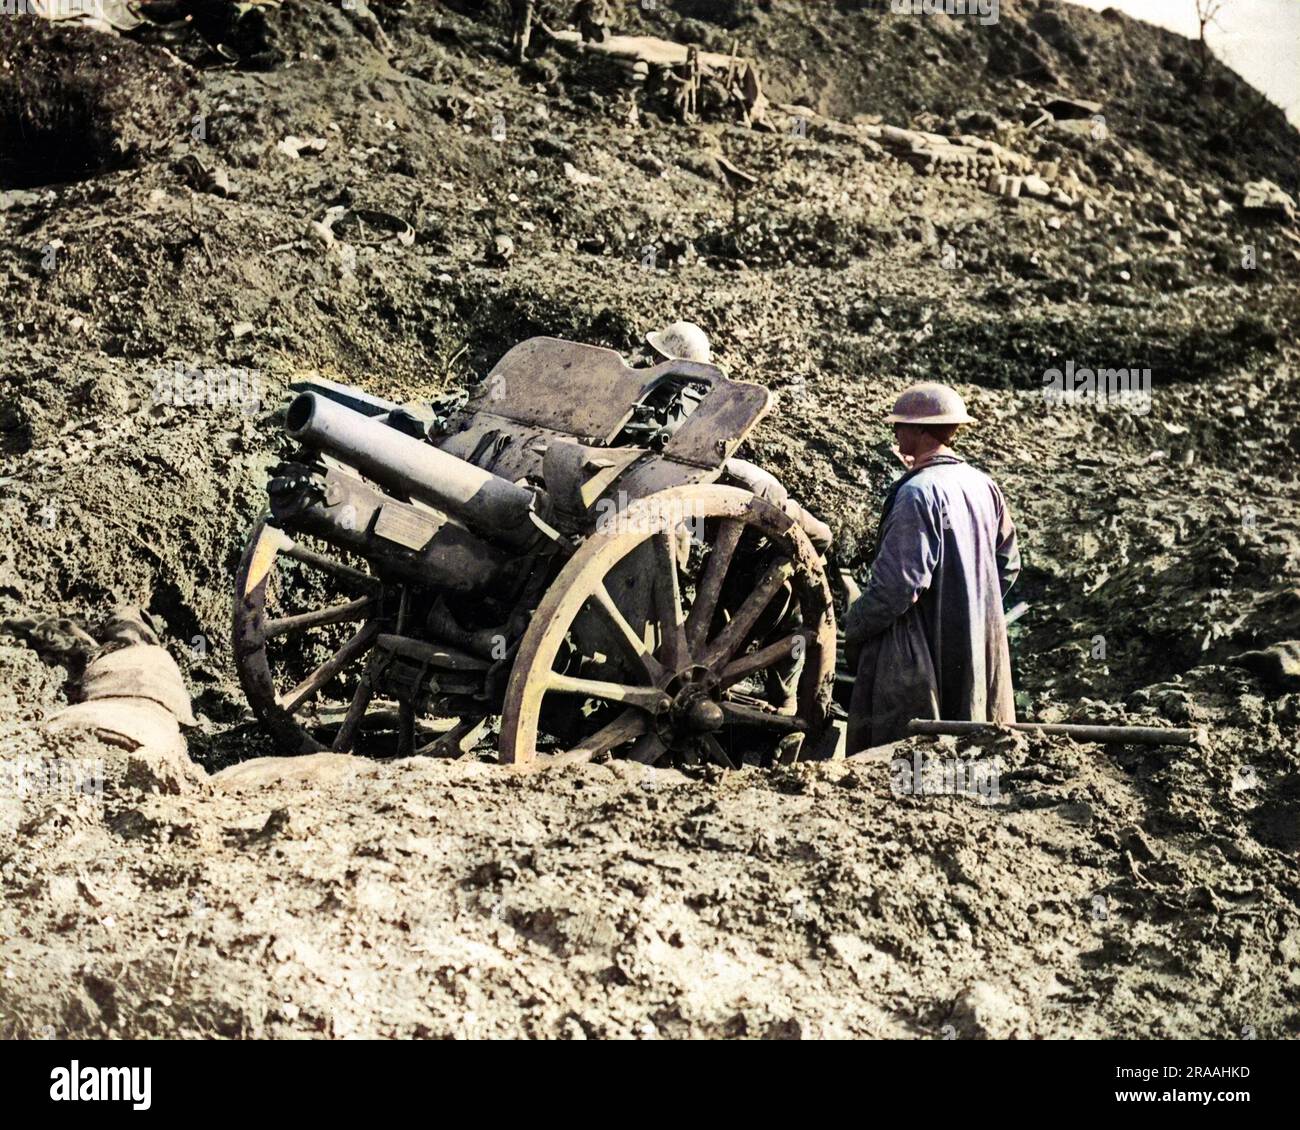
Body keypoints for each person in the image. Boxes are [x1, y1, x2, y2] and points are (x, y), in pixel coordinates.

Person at [843, 382, 1020, 752]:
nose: (895, 432)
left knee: (908, 755)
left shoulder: (916, 493)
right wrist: (968, 607)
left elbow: (897, 587)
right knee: (970, 745)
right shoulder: (983, 485)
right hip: (976, 643)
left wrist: (854, 623)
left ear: (921, 431)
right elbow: (1007, 564)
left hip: (917, 653)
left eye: (900, 425)